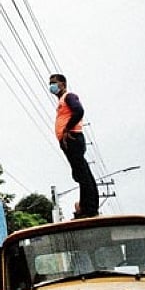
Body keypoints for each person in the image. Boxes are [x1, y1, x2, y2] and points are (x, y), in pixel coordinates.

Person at [49, 73, 98, 217]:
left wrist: (66, 129)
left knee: (82, 174)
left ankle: (88, 208)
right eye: (50, 83)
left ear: (63, 84)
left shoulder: (69, 97)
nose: (51, 86)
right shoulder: (61, 102)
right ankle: (87, 206)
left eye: (54, 82)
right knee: (80, 173)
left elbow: (79, 111)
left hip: (72, 138)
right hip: (68, 140)